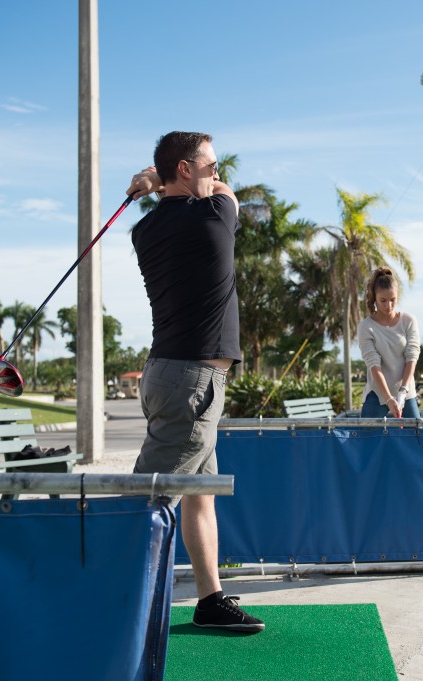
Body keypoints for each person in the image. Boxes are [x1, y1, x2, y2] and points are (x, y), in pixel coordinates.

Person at [125, 131, 264, 633]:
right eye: (211, 162)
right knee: (148, 499)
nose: (217, 170)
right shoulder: (216, 214)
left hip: (175, 374)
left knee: (198, 493)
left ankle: (209, 599)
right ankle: (110, 603)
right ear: (185, 169)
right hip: (191, 382)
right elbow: (223, 190)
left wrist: (153, 181)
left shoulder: (145, 231)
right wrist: (159, 179)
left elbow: (192, 188)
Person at [357, 267, 421, 418]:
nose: (389, 306)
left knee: (416, 437)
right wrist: (389, 399)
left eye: (393, 300)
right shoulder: (366, 327)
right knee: (368, 439)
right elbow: (373, 364)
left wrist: (402, 392)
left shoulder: (408, 321)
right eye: (383, 301)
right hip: (377, 394)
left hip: (406, 392)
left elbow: (412, 356)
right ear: (374, 298)